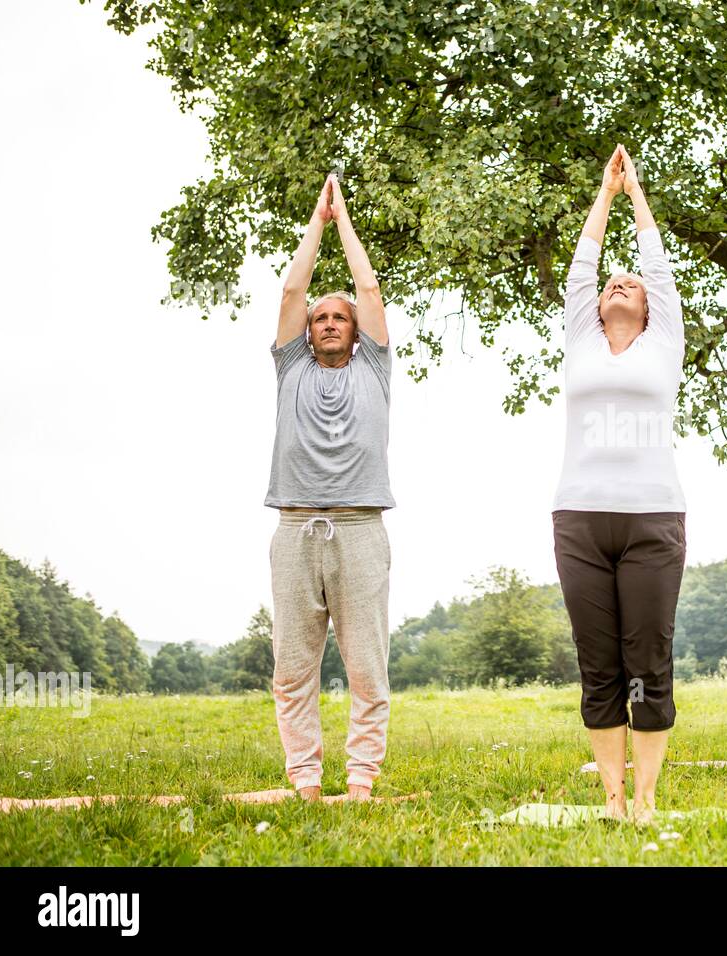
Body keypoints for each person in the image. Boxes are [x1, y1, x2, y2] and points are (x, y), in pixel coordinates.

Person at [552, 144, 687, 823]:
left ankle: (646, 798)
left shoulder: (666, 343)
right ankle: (610, 797)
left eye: (629, 284)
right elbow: (582, 267)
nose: (617, 284)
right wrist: (602, 194)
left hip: (652, 520)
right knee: (598, 661)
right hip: (578, 518)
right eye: (611, 284)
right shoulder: (579, 338)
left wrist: (636, 194)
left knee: (647, 659)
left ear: (649, 307)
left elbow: (658, 268)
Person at [267, 173, 395, 801]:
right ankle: (305, 781)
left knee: (367, 665)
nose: (328, 322)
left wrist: (342, 217)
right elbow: (293, 286)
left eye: (339, 316)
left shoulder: (375, 365)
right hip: (294, 528)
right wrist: (314, 223)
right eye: (320, 317)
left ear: (356, 328)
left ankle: (363, 778)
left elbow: (368, 286)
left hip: (359, 527)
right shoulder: (290, 365)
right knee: (292, 668)